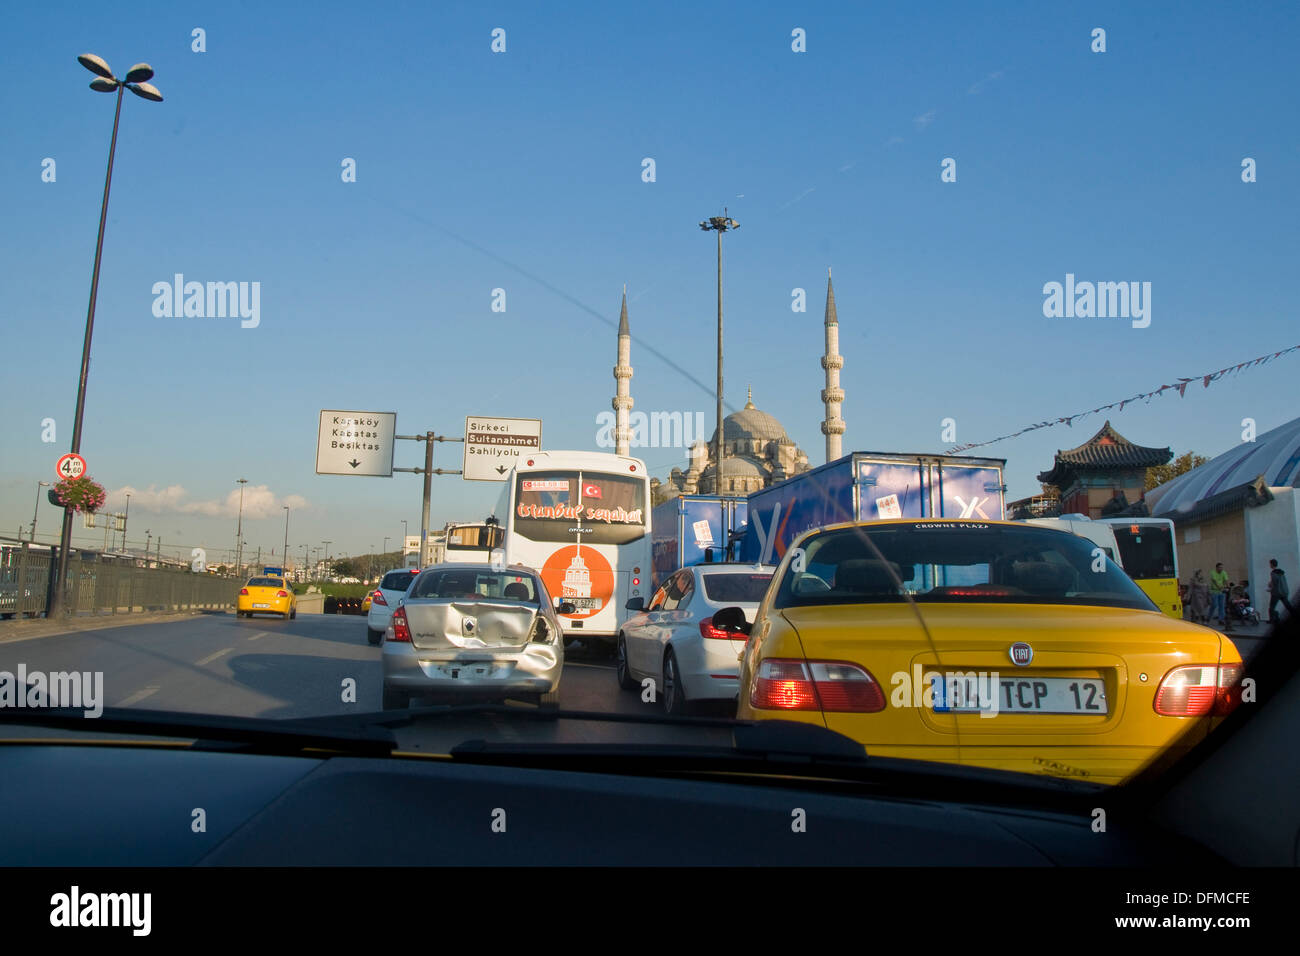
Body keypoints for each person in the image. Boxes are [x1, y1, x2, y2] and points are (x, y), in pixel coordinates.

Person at [1210, 562, 1229, 626]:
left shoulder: (1223, 573)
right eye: (1220, 567)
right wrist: (1220, 588)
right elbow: (1214, 581)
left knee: (1222, 606)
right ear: (1217, 568)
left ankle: (1221, 619)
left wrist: (1227, 587)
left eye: (1222, 567)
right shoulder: (1213, 573)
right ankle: (1208, 617)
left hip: (1222, 591)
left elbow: (1226, 580)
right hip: (1214, 591)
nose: (1221, 569)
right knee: (1214, 605)